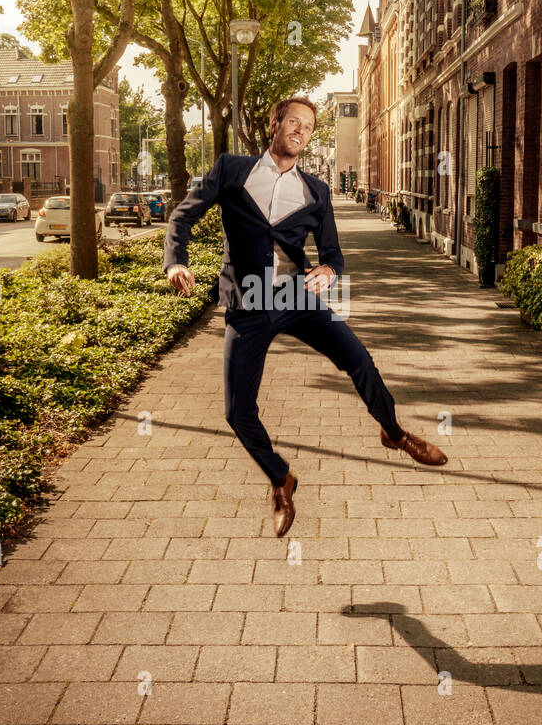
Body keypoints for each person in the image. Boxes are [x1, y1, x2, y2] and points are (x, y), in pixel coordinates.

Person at [164, 96, 447, 537]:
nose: (300, 131)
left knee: (358, 359)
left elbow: (333, 251)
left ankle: (393, 431)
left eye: (309, 127)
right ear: (275, 124)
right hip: (249, 302)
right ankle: (281, 480)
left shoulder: (317, 191)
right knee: (238, 412)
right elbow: (181, 218)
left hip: (297, 297)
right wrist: (175, 261)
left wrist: (330, 270)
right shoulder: (230, 169)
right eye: (294, 122)